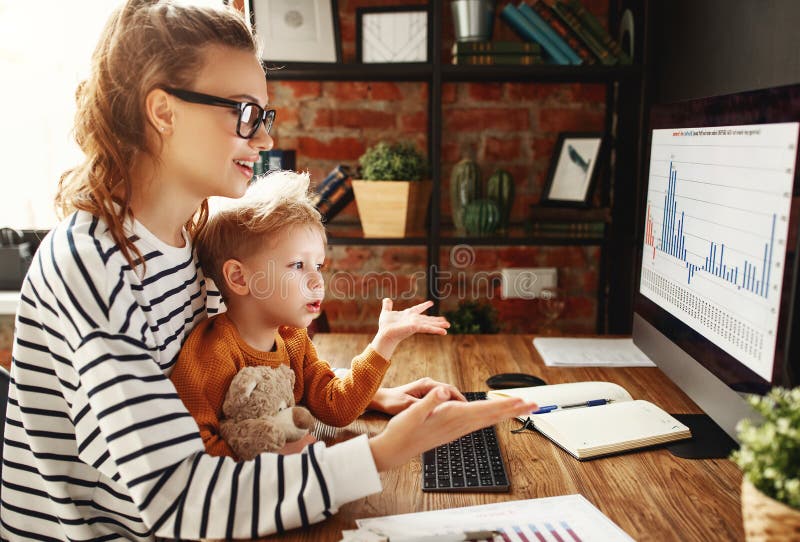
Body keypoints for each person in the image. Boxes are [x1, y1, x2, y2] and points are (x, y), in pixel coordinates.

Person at [0, 1, 536, 540]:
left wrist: (365, 400)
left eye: (264, 116)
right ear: (163, 112)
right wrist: (385, 452)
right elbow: (176, 496)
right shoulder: (93, 266)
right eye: (243, 113)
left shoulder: (189, 237)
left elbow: (237, 389)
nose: (263, 139)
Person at [170, 171, 453, 459]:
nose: (317, 281)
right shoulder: (211, 355)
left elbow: (335, 407)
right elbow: (196, 451)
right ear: (240, 278)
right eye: (296, 265)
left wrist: (384, 342)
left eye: (318, 266)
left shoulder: (293, 340)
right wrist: (279, 460)